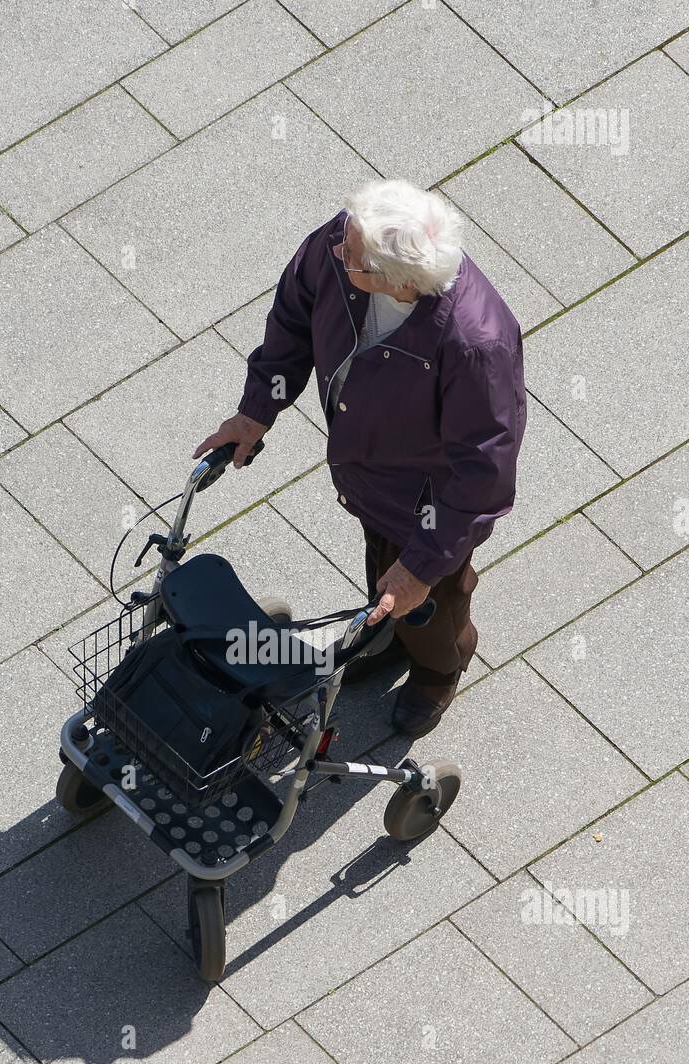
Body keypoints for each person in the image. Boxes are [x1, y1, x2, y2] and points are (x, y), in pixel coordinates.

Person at [195, 179, 526, 734]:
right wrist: (257, 410)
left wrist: (422, 565)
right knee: (382, 571)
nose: (335, 249)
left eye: (351, 255)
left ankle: (440, 667)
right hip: (371, 472)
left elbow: (484, 471)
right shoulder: (347, 242)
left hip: (428, 504)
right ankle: (393, 632)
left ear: (396, 281)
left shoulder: (475, 343)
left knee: (431, 597)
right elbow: (293, 323)